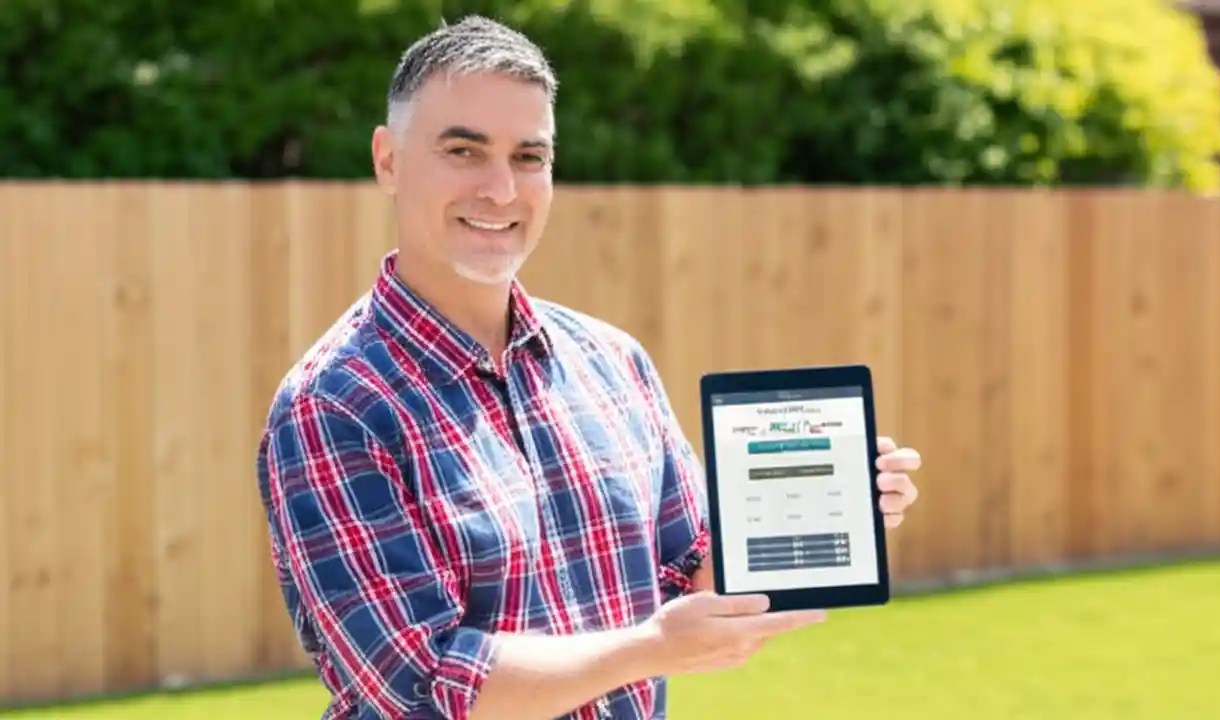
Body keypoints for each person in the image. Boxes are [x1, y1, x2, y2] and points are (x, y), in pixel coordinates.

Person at [255, 15, 922, 720]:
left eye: (529, 157)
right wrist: (648, 650)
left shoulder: (612, 363)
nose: (502, 190)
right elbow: (425, 683)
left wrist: (827, 503)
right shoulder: (333, 403)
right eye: (464, 150)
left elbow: (691, 573)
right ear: (388, 160)